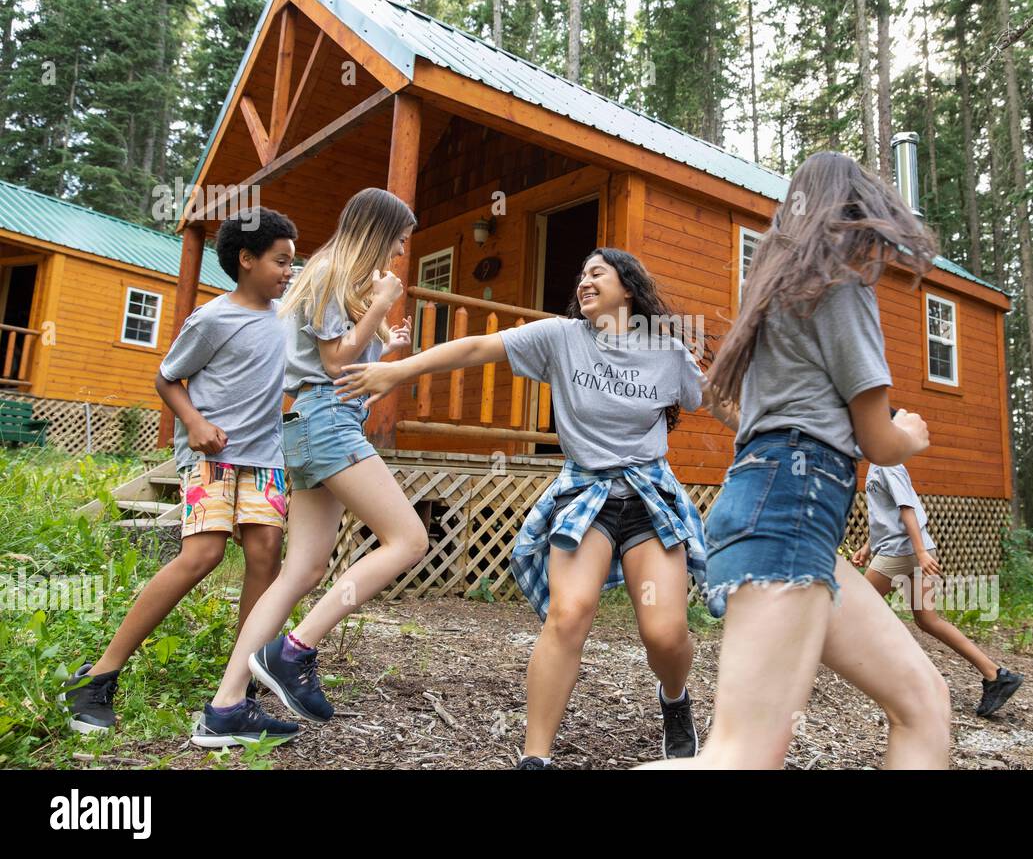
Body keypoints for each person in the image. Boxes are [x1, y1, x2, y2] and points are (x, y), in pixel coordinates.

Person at [337, 247, 709, 768]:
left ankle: (674, 698)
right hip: (587, 497)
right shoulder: (560, 338)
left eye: (596, 273)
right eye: (581, 274)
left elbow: (721, 401)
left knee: (664, 634)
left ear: (628, 288)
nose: (583, 282)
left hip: (648, 498)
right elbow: (474, 349)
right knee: (568, 614)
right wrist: (397, 373)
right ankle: (536, 758)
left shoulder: (667, 355)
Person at [647, 150, 950, 769]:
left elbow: (755, 416)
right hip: (791, 507)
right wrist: (910, 435)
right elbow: (876, 438)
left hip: (785, 511)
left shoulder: (777, 297)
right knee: (738, 758)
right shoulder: (839, 288)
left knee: (924, 699)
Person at [192, 188, 428, 746]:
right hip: (324, 424)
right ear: (376, 229)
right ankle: (294, 652)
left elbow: (347, 360)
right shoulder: (329, 272)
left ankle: (225, 708)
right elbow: (334, 361)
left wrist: (386, 345)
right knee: (409, 540)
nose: (399, 251)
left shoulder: (334, 278)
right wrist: (379, 306)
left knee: (301, 571)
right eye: (397, 238)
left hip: (307, 424)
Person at [64, 208, 301, 746]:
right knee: (203, 555)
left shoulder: (286, 317)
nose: (289, 270)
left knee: (267, 557)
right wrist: (194, 421)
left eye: (292, 261)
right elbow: (166, 377)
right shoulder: (212, 320)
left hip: (265, 457)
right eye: (280, 260)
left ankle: (238, 689)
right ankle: (98, 677)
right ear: (246, 260)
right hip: (210, 457)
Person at [850, 459, 1024, 717]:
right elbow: (888, 516)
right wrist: (867, 547)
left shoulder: (888, 464)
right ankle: (996, 675)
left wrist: (920, 553)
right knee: (928, 619)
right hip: (902, 549)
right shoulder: (878, 463)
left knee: (853, 606)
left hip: (901, 551)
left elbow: (907, 507)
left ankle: (899, 676)